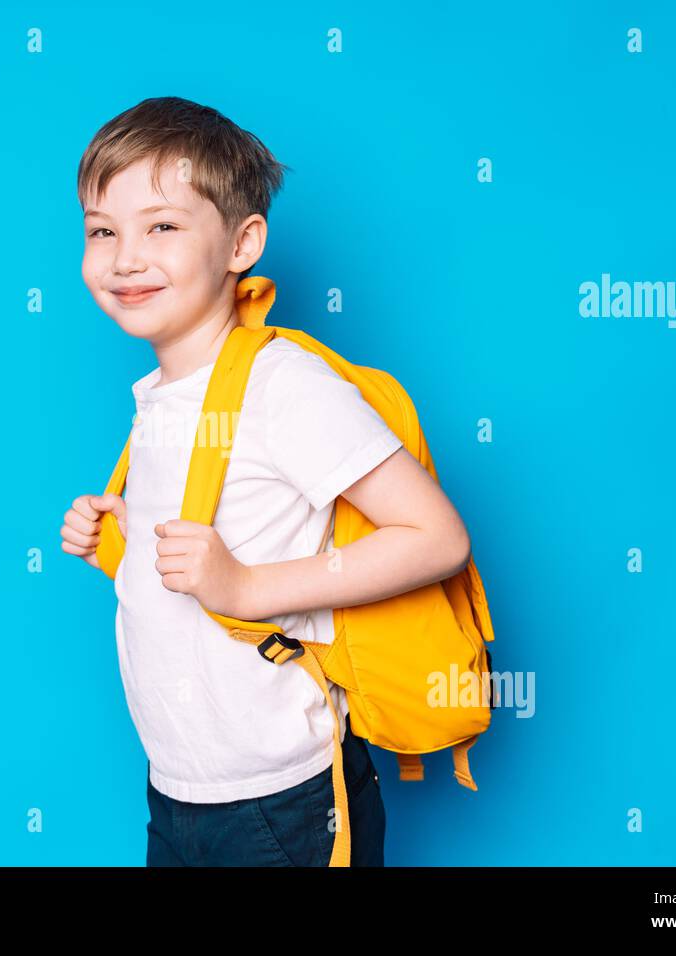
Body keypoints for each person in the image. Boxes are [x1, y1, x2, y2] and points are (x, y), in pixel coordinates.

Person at [60, 96, 472, 866]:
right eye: (101, 231)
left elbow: (437, 538)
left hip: (287, 802)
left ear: (242, 242)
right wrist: (119, 537)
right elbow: (215, 545)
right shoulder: (165, 396)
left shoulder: (283, 386)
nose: (124, 257)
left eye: (163, 227)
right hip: (178, 792)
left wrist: (245, 588)